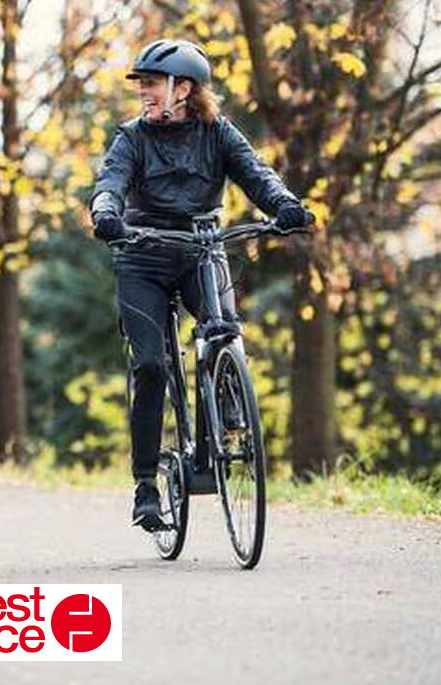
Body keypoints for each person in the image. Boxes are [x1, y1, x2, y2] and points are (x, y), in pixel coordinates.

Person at [88, 39, 314, 531]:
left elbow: (257, 176)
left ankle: (230, 411)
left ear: (183, 88)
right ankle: (146, 485)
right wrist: (106, 211)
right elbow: (111, 180)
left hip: (201, 249)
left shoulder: (219, 134)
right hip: (142, 256)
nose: (144, 92)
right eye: (143, 84)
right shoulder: (131, 138)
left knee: (223, 328)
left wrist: (284, 206)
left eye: (151, 83)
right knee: (150, 365)